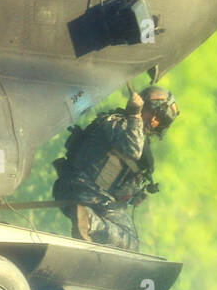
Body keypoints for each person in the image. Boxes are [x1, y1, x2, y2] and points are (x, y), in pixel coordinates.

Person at [52, 84, 179, 252]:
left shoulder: (125, 128)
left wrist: (132, 194)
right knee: (130, 241)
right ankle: (90, 222)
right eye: (153, 113)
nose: (154, 121)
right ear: (143, 106)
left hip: (80, 193)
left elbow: (114, 171)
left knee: (117, 231)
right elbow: (133, 150)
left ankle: (88, 225)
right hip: (88, 194)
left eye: (159, 121)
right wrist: (135, 115)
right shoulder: (120, 123)